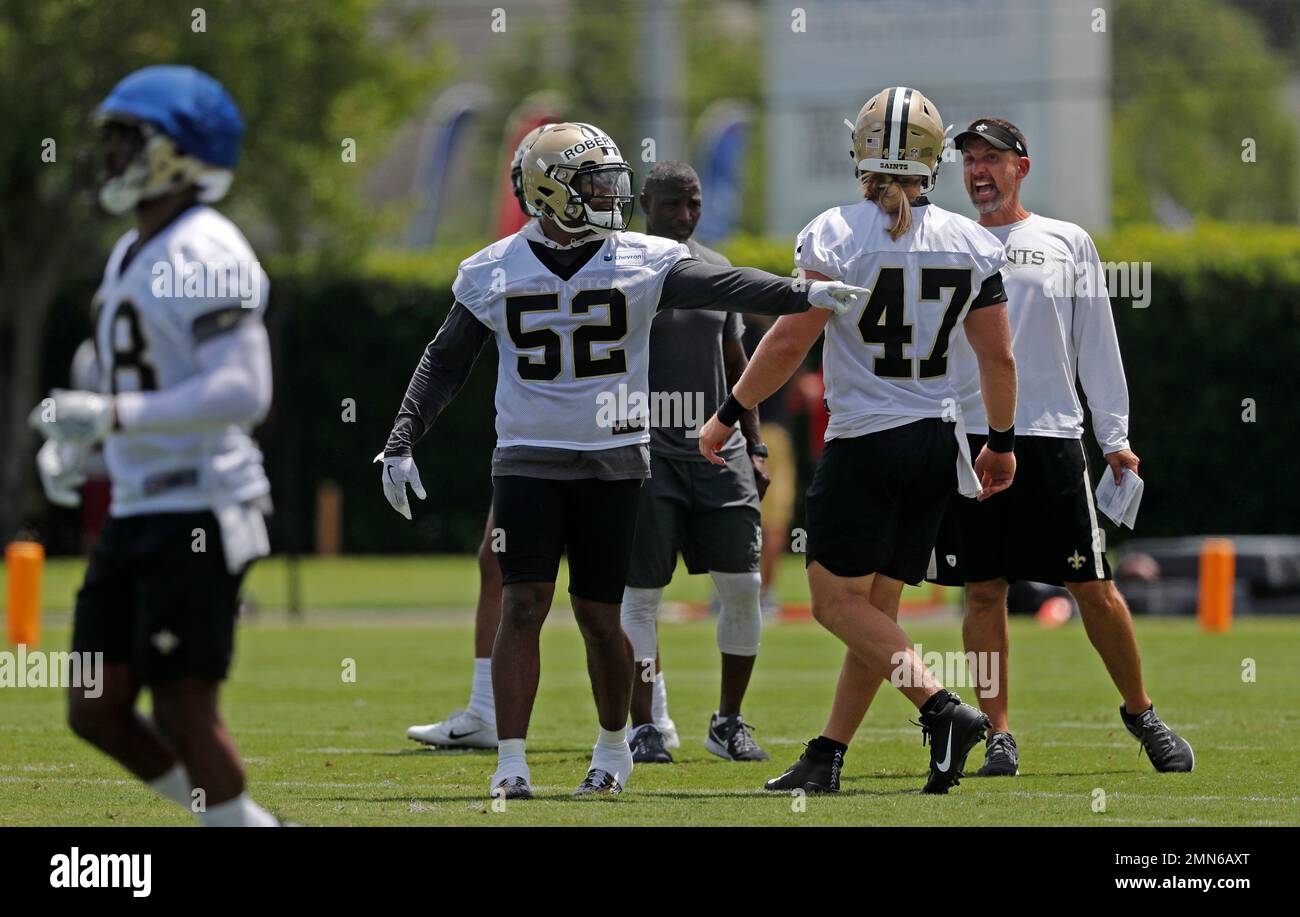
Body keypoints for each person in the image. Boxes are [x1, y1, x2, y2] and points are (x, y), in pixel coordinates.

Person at [377, 122, 867, 799]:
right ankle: (511, 761)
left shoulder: (639, 256)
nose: (612, 194)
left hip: (613, 460)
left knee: (601, 616)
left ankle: (612, 748)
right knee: (522, 602)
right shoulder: (492, 267)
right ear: (551, 191)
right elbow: (445, 360)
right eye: (595, 183)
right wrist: (402, 436)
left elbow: (723, 284)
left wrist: (800, 293)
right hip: (527, 459)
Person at [699, 87, 1018, 794]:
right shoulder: (970, 240)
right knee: (877, 614)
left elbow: (788, 341)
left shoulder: (837, 234)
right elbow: (998, 358)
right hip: (938, 441)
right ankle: (828, 752)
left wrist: (727, 412)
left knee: (834, 605)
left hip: (866, 443)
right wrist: (999, 440)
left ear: (861, 151)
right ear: (934, 159)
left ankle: (943, 709)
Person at [29, 65, 284, 825]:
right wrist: (80, 446)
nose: (109, 156)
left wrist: (108, 416)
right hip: (141, 503)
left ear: (175, 149)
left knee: (181, 702)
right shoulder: (130, 249)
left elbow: (243, 392)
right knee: (95, 702)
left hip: (201, 505)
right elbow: (130, 378)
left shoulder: (206, 245)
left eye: (124, 138)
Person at [929, 117, 1193, 775]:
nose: (978, 170)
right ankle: (998, 734)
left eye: (991, 158)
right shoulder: (946, 241)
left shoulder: (1066, 241)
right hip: (969, 439)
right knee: (983, 589)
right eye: (969, 160)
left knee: (1092, 583)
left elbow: (1096, 344)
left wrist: (1116, 438)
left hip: (1049, 438)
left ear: (1022, 166)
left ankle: (1142, 712)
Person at [405, 124, 555, 752]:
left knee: (617, 593)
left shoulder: (622, 256)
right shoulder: (507, 262)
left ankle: (643, 727)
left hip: (607, 440)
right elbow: (445, 357)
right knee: (499, 566)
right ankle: (486, 711)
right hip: (534, 446)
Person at [621, 161, 770, 765]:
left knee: (743, 587)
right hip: (643, 455)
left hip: (719, 452)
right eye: (672, 205)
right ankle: (645, 728)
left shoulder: (715, 269)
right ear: (643, 207)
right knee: (642, 598)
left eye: (693, 204)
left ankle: (728, 722)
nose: (684, 216)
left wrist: (754, 444)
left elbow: (738, 362)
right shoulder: (617, 271)